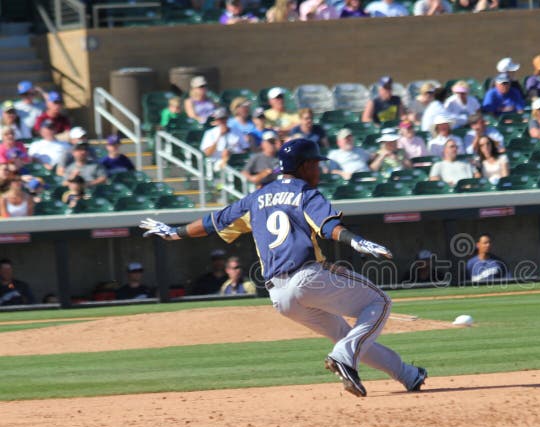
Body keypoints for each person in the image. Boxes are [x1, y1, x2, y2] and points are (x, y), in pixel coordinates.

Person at [139, 138, 428, 398]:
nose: (319, 170)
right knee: (380, 302)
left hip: (280, 298)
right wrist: (357, 241)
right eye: (316, 164)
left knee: (345, 334)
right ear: (303, 166)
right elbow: (329, 226)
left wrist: (174, 232)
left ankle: (407, 374)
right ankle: (343, 357)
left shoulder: (256, 198)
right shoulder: (306, 193)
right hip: (308, 277)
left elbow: (212, 223)